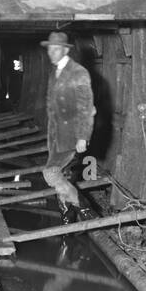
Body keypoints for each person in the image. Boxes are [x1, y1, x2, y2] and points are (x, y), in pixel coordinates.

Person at [40, 31, 96, 227]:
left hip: (72, 133)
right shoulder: (54, 72)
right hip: (56, 134)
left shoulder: (79, 72)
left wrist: (83, 137)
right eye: (50, 49)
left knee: (51, 173)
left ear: (65, 50)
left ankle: (85, 209)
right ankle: (67, 217)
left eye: (56, 49)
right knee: (60, 175)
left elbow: (86, 107)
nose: (52, 53)